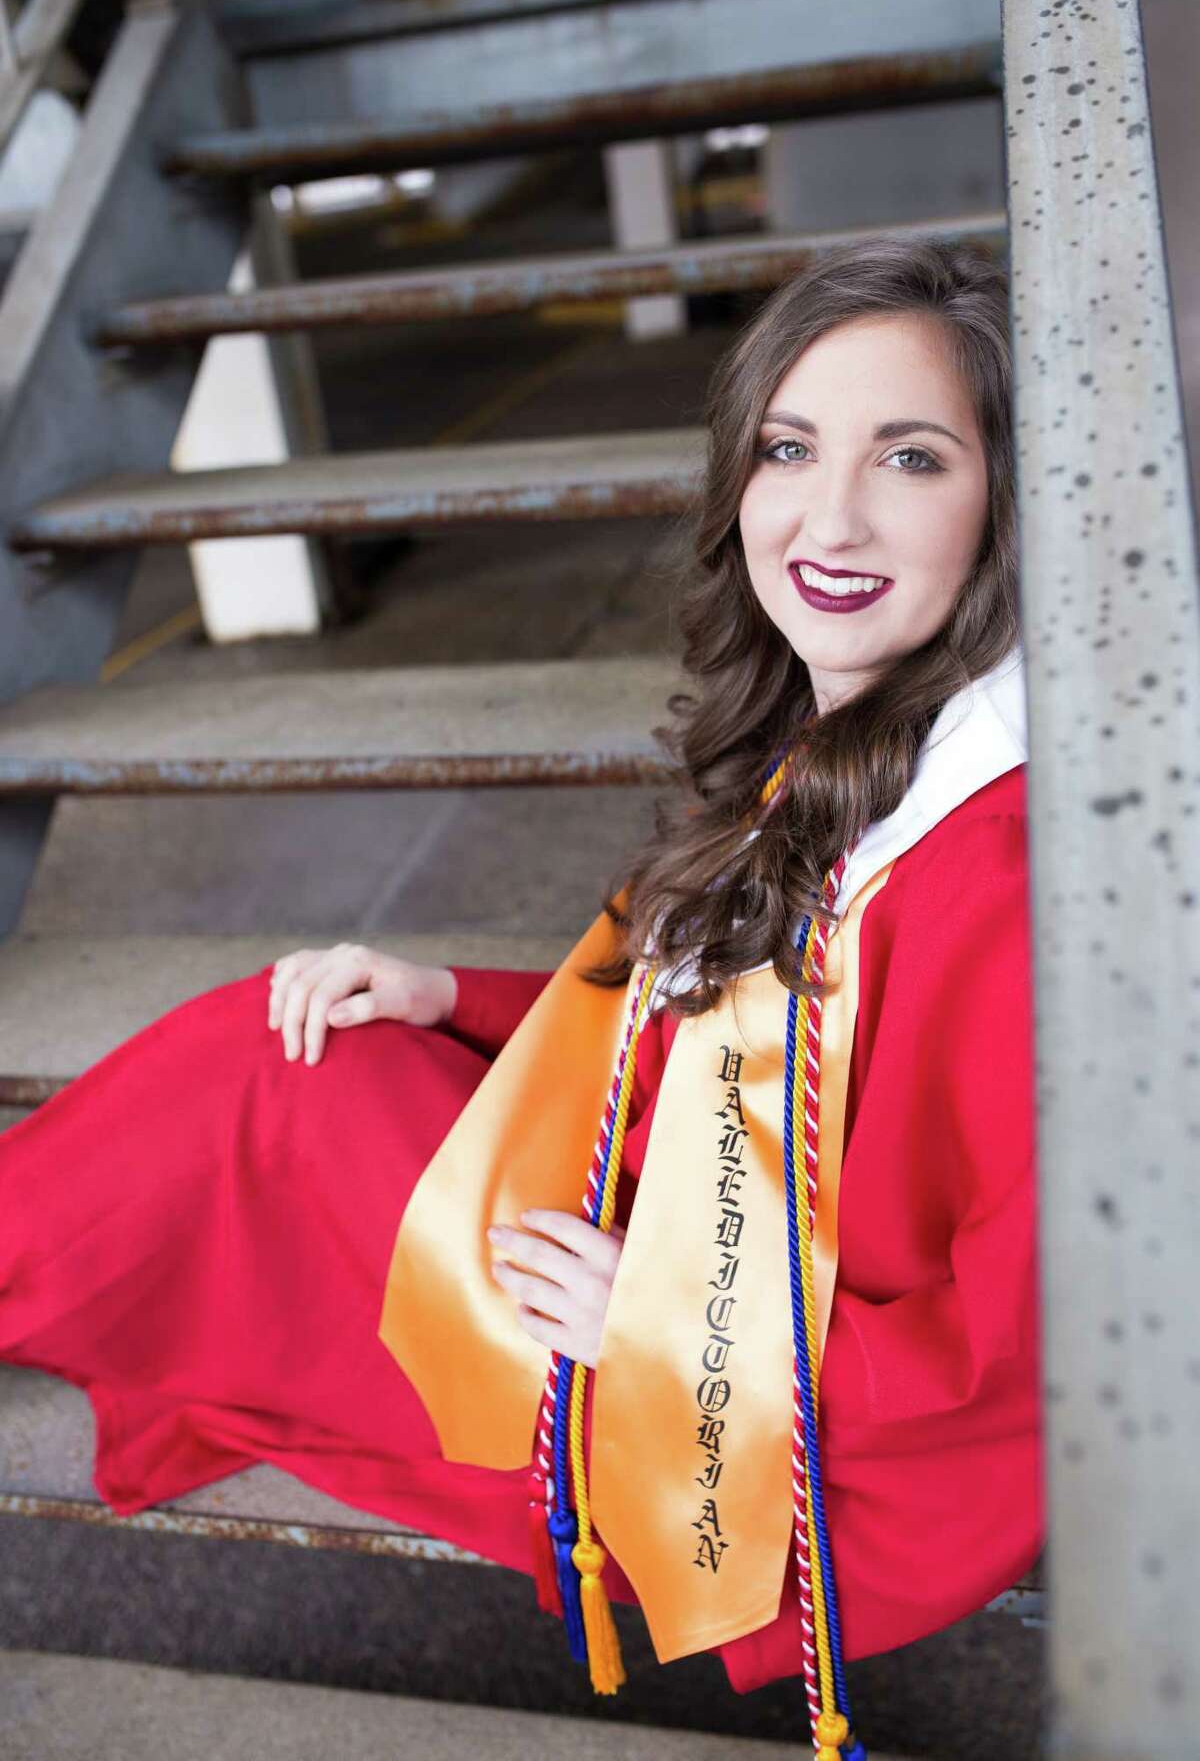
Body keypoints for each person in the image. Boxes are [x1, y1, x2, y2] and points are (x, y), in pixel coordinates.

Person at [0, 234, 1042, 1758]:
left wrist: (669, 1313)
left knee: (272, 1108)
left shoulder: (995, 865)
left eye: (912, 458)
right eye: (790, 449)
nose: (830, 514)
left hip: (796, 1448)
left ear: (1005, 504)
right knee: (312, 1055)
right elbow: (723, 1036)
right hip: (699, 1258)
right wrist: (457, 997)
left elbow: (1021, 1341)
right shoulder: (867, 740)